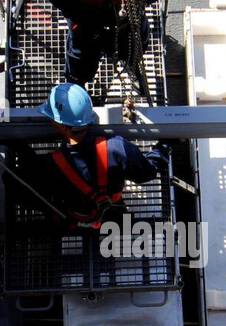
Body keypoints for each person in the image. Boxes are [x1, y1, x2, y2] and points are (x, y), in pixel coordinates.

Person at [20, 83, 165, 227]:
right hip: (113, 212)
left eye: (52, 118)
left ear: (63, 126)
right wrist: (164, 146)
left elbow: (17, 185)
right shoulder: (116, 148)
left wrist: (20, 148)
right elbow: (148, 172)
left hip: (77, 218)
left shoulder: (51, 166)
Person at [36, 0, 123, 86]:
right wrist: (93, 24)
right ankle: (77, 83)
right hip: (83, 15)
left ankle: (130, 61)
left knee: (131, 42)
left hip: (120, 6)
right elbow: (63, 2)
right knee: (81, 56)